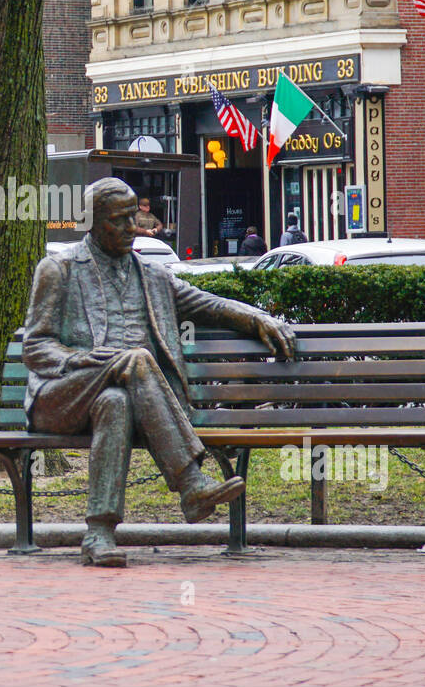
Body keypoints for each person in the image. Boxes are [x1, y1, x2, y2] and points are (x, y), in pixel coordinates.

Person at [24, 177, 296, 567]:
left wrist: (257, 317)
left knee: (115, 401)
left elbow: (209, 304)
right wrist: (78, 360)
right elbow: (36, 346)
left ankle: (99, 534)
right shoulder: (60, 269)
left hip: (125, 401)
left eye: (133, 216)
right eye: (118, 220)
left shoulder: (152, 276)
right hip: (64, 394)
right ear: (91, 221)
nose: (131, 227)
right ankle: (190, 484)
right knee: (134, 359)